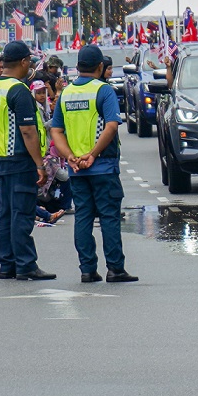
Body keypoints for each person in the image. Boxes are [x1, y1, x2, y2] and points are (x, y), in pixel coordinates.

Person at [49, 46, 135, 284]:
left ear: (77, 67)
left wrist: (71, 157)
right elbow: (111, 126)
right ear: (100, 67)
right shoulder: (103, 90)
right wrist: (93, 154)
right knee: (108, 217)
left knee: (83, 217)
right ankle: (115, 269)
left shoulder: (66, 93)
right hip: (103, 165)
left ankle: (87, 270)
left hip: (76, 169)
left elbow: (56, 130)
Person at [0, 42, 52, 281]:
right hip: (20, 159)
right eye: (30, 61)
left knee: (6, 214)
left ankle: (7, 264)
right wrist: (39, 163)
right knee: (22, 214)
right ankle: (26, 264)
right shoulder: (18, 90)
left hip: (2, 158)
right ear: (24, 62)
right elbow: (27, 131)